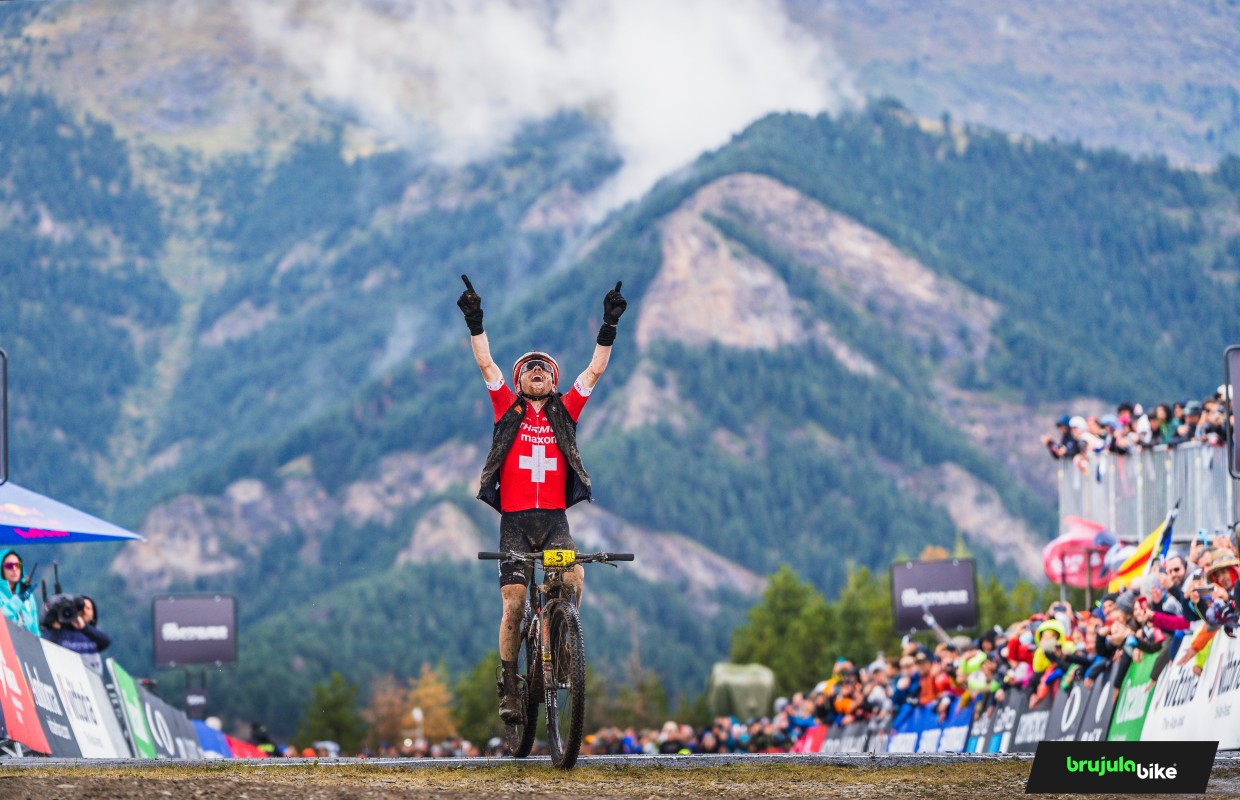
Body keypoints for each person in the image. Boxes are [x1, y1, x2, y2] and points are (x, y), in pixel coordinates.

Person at [456, 273, 627, 725]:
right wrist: (476, 322)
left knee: (570, 582)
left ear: (552, 379)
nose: (536, 370)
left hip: (553, 520)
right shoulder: (505, 408)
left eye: (544, 367)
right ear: (520, 379)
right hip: (514, 521)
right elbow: (486, 365)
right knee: (513, 602)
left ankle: (563, 644)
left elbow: (594, 372)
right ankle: (510, 683)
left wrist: (607, 328)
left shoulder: (564, 410)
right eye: (529, 367)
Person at [41, 594, 111, 673]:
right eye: (81, 608)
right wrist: (55, 628)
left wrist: (84, 628)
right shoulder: (61, 631)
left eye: (88, 608)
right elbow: (46, 645)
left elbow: (106, 641)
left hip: (93, 679)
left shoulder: (94, 632)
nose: (84, 611)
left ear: (93, 614)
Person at [0, 549, 40, 636]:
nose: (14, 569)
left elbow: (35, 630)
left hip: (26, 646)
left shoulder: (28, 596)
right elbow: (2, 619)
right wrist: (18, 600)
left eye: (17, 565)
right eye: (9, 566)